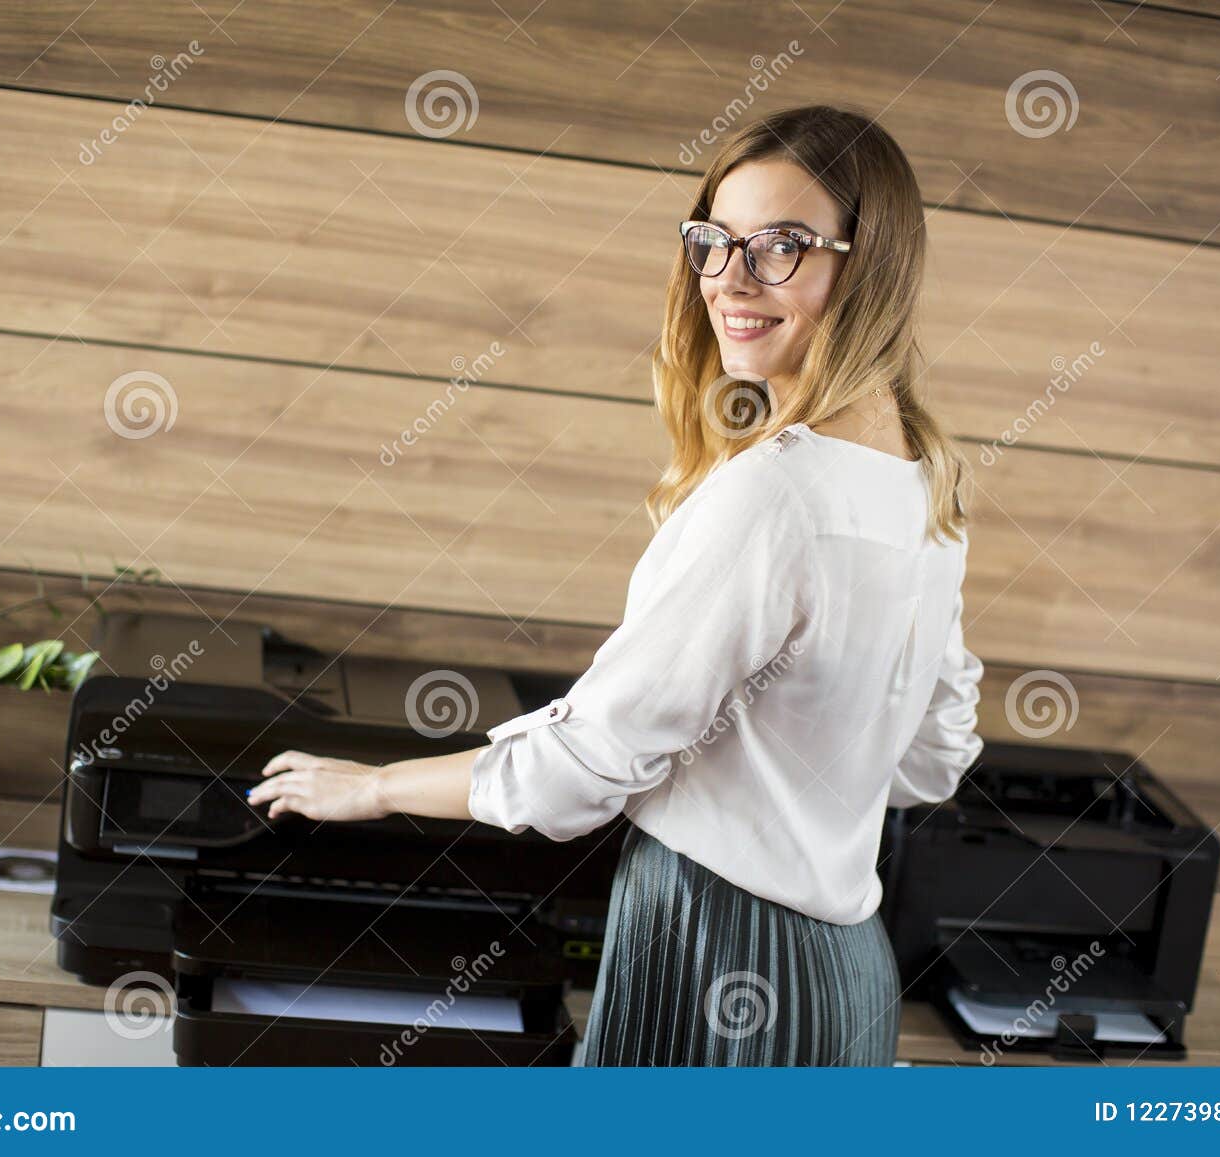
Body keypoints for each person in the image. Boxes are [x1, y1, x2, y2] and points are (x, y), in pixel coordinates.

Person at [246, 104, 985, 1067]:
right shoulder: (923, 479)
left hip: (711, 950)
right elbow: (934, 756)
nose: (730, 280)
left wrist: (379, 787)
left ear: (872, 262)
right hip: (846, 976)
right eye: (714, 243)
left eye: (783, 247)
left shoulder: (775, 491)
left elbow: (583, 767)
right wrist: (778, 787)